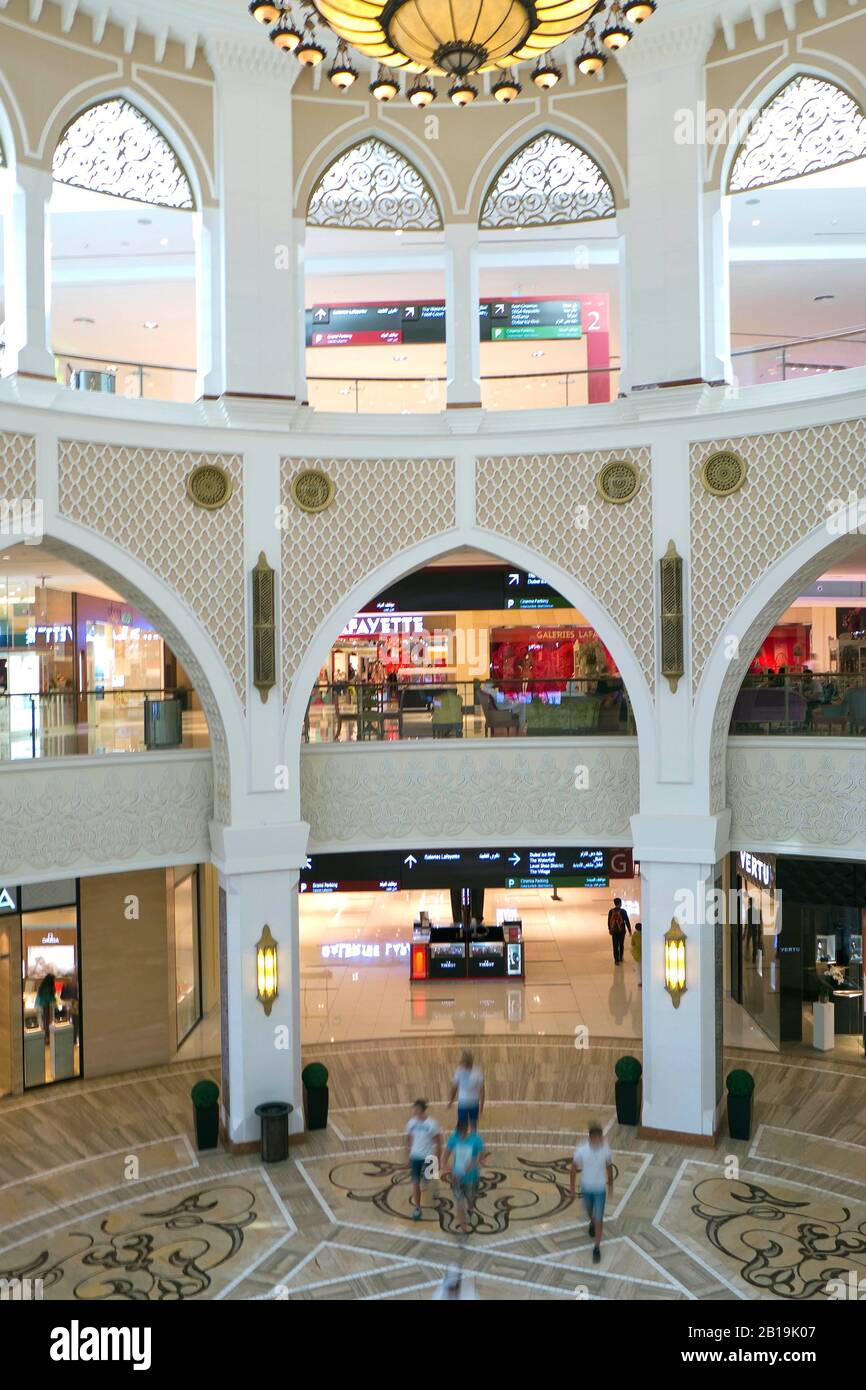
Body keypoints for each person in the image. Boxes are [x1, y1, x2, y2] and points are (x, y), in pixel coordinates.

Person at [570, 1123, 614, 1265]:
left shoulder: (605, 1149)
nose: (597, 1140)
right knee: (590, 1212)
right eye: (595, 1138)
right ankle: (592, 1222)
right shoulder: (582, 1150)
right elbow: (573, 1168)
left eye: (599, 1138)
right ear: (590, 1138)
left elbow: (608, 1166)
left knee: (599, 1217)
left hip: (600, 1189)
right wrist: (571, 1187)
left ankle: (596, 1247)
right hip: (587, 1188)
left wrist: (611, 1183)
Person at [443, 1116, 486, 1234]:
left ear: (467, 1129)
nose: (461, 1135)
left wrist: (472, 1164)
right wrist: (448, 1169)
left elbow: (482, 1159)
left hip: (472, 1177)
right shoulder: (453, 1139)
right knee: (459, 1202)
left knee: (470, 1198)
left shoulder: (476, 1140)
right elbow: (444, 1158)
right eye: (459, 1132)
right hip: (457, 1177)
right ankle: (463, 1227)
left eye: (463, 1132)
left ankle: (471, 1208)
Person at [405, 1098, 442, 1222]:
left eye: (416, 1108)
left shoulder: (432, 1124)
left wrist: (438, 1159)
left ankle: (435, 1188)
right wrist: (408, 1155)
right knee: (415, 1182)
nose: (414, 1111)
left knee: (430, 1178)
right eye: (414, 1108)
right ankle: (417, 1208)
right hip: (415, 1157)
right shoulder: (411, 1123)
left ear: (422, 1109)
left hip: (429, 1156)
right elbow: (409, 1139)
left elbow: (438, 1142)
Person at [449, 1050, 484, 1130]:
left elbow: (482, 1091)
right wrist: (451, 1101)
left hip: (470, 1103)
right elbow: (454, 1088)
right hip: (466, 1103)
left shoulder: (477, 1071)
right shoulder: (460, 1071)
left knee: (470, 1126)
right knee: (467, 1126)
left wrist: (451, 1101)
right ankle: (467, 1140)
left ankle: (469, 1140)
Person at [607, 897, 631, 965]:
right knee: (621, 944)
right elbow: (627, 921)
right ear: (620, 903)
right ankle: (620, 957)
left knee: (615, 945)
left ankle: (616, 960)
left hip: (614, 931)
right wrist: (629, 930)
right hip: (622, 931)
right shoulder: (623, 911)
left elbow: (609, 921)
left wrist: (609, 929)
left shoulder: (611, 911)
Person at [35, 972, 56, 1042]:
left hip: (42, 1005)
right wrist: (54, 1000)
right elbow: (49, 998)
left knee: (44, 1022)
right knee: (48, 1022)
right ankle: (48, 1037)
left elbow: (40, 997)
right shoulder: (49, 987)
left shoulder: (42, 986)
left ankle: (45, 1037)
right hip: (47, 1006)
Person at [631, 921, 642, 987]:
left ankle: (640, 981)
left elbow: (632, 944)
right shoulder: (645, 935)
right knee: (643, 967)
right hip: (644, 954)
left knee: (638, 968)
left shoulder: (635, 935)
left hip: (637, 954)